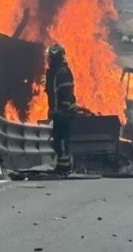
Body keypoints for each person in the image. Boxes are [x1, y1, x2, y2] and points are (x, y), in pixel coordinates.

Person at [45, 43, 76, 174]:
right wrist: (52, 110)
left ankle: (65, 166)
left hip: (64, 113)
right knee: (58, 140)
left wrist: (62, 111)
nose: (49, 60)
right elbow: (53, 94)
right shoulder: (55, 72)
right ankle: (62, 165)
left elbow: (66, 94)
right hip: (59, 112)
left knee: (62, 140)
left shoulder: (61, 72)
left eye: (51, 57)